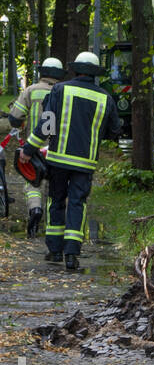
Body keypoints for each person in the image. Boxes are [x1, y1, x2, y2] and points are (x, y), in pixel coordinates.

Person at [24, 51, 121, 271]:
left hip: (58, 160)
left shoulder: (60, 89)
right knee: (78, 203)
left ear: (76, 69)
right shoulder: (105, 97)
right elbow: (115, 130)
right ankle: (72, 254)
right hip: (85, 163)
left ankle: (55, 250)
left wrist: (29, 149)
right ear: (95, 73)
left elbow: (47, 126)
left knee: (56, 201)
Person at [5, 56, 63, 237]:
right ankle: (55, 223)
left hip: (34, 146)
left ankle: (35, 210)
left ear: (43, 72)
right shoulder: (64, 91)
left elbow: (15, 118)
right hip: (58, 147)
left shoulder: (31, 90)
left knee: (33, 182)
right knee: (56, 183)